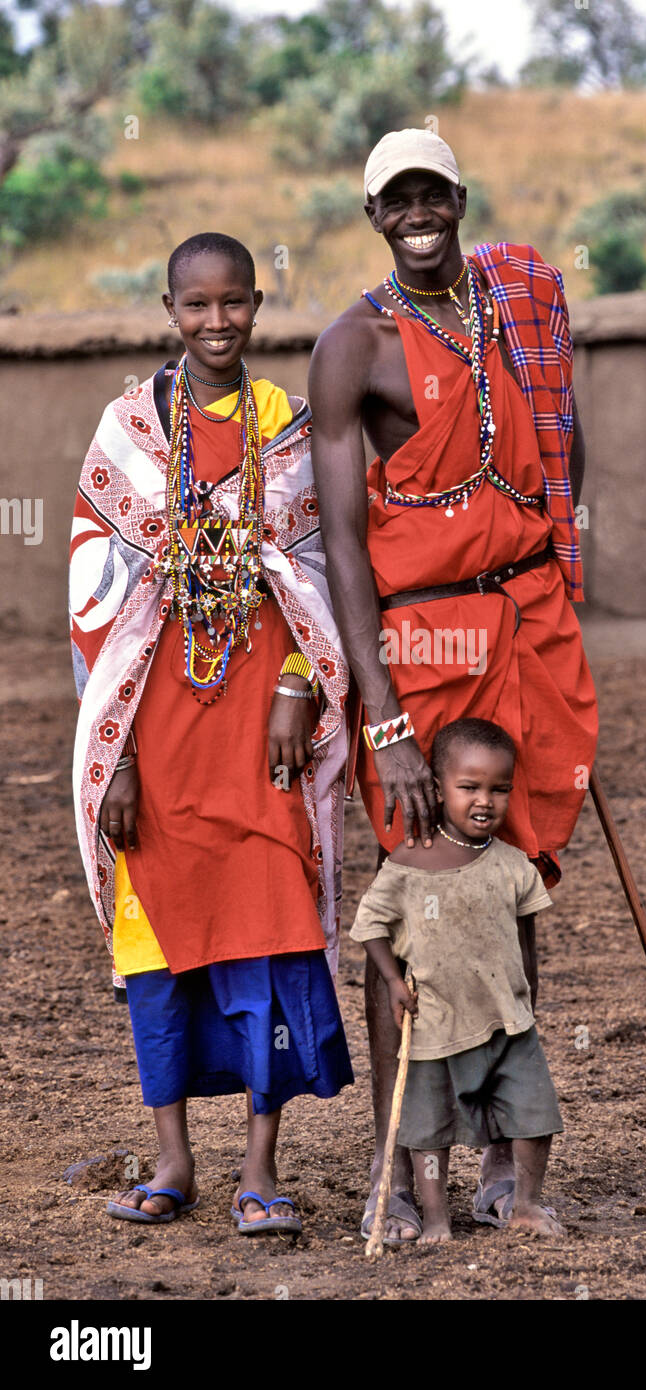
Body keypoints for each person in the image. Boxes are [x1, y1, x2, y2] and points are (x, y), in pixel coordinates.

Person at [309, 128, 598, 1241]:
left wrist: (559, 605)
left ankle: (501, 1172)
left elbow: (568, 454)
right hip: (422, 648)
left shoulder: (516, 311)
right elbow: (342, 544)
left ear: (458, 199)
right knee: (423, 899)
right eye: (397, 200)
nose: (417, 213)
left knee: (510, 890)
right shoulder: (353, 345)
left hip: (527, 626)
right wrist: (381, 718)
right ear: (375, 215)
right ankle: (406, 1169)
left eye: (433, 194)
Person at [70, 232, 353, 1234]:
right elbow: (96, 603)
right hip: (158, 735)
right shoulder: (128, 432)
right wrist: (118, 761)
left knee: (270, 931)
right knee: (160, 947)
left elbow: (315, 570)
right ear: (167, 309)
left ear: (257, 306)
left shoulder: (285, 424)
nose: (217, 322)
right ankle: (172, 1158)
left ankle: (260, 1168)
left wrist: (295, 687)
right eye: (197, 305)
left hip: (258, 736)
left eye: (234, 303)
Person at [351, 717, 564, 1243]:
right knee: (427, 1131)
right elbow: (371, 924)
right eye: (469, 787)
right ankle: (437, 1218)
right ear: (438, 788)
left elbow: (525, 942)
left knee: (535, 1116)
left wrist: (525, 1005)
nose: (484, 801)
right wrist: (393, 980)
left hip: (507, 1025)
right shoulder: (407, 865)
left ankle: (526, 1203)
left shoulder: (515, 866)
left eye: (499, 789)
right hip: (434, 1027)